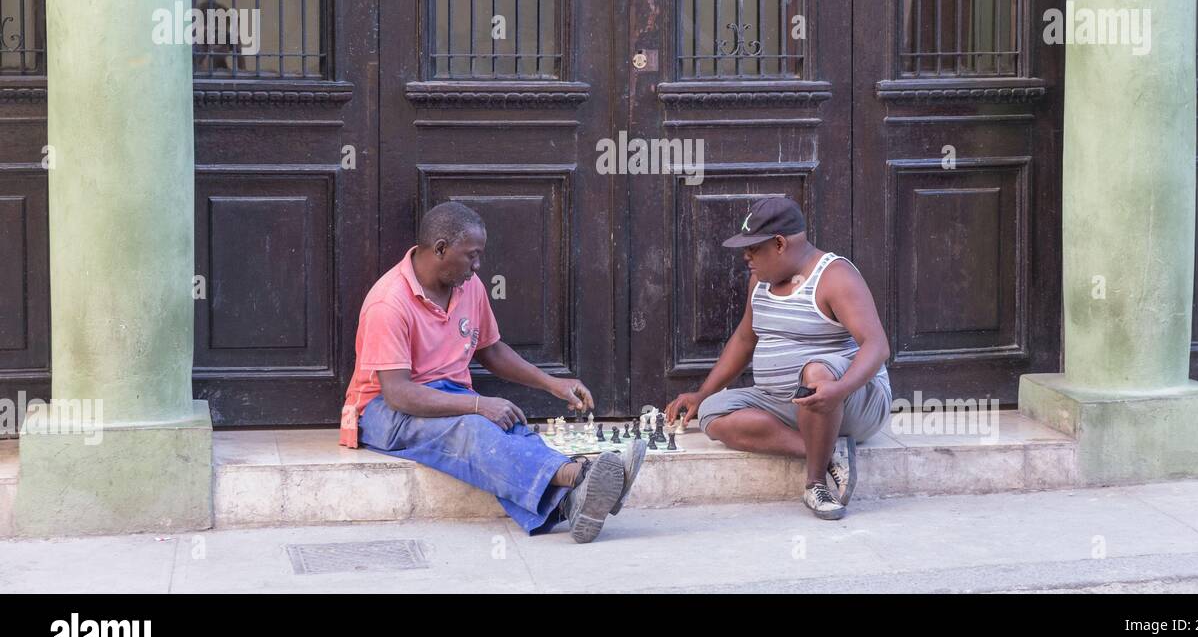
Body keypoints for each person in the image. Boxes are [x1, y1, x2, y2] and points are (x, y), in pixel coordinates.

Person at [340, 201, 645, 542]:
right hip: (383, 409)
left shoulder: (468, 287)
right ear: (441, 248)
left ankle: (575, 502)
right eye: (471, 255)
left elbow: (492, 350)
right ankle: (579, 475)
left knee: (511, 428)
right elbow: (398, 393)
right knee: (472, 430)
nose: (478, 265)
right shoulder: (389, 303)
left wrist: (553, 384)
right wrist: (477, 405)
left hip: (447, 394)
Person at [666, 196, 892, 520]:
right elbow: (745, 339)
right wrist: (703, 394)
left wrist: (839, 390)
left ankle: (815, 484)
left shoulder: (834, 276)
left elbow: (877, 345)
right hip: (791, 402)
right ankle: (826, 453)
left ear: (780, 243)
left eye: (753, 248)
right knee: (713, 414)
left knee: (816, 372)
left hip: (852, 399)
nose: (746, 256)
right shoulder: (760, 280)